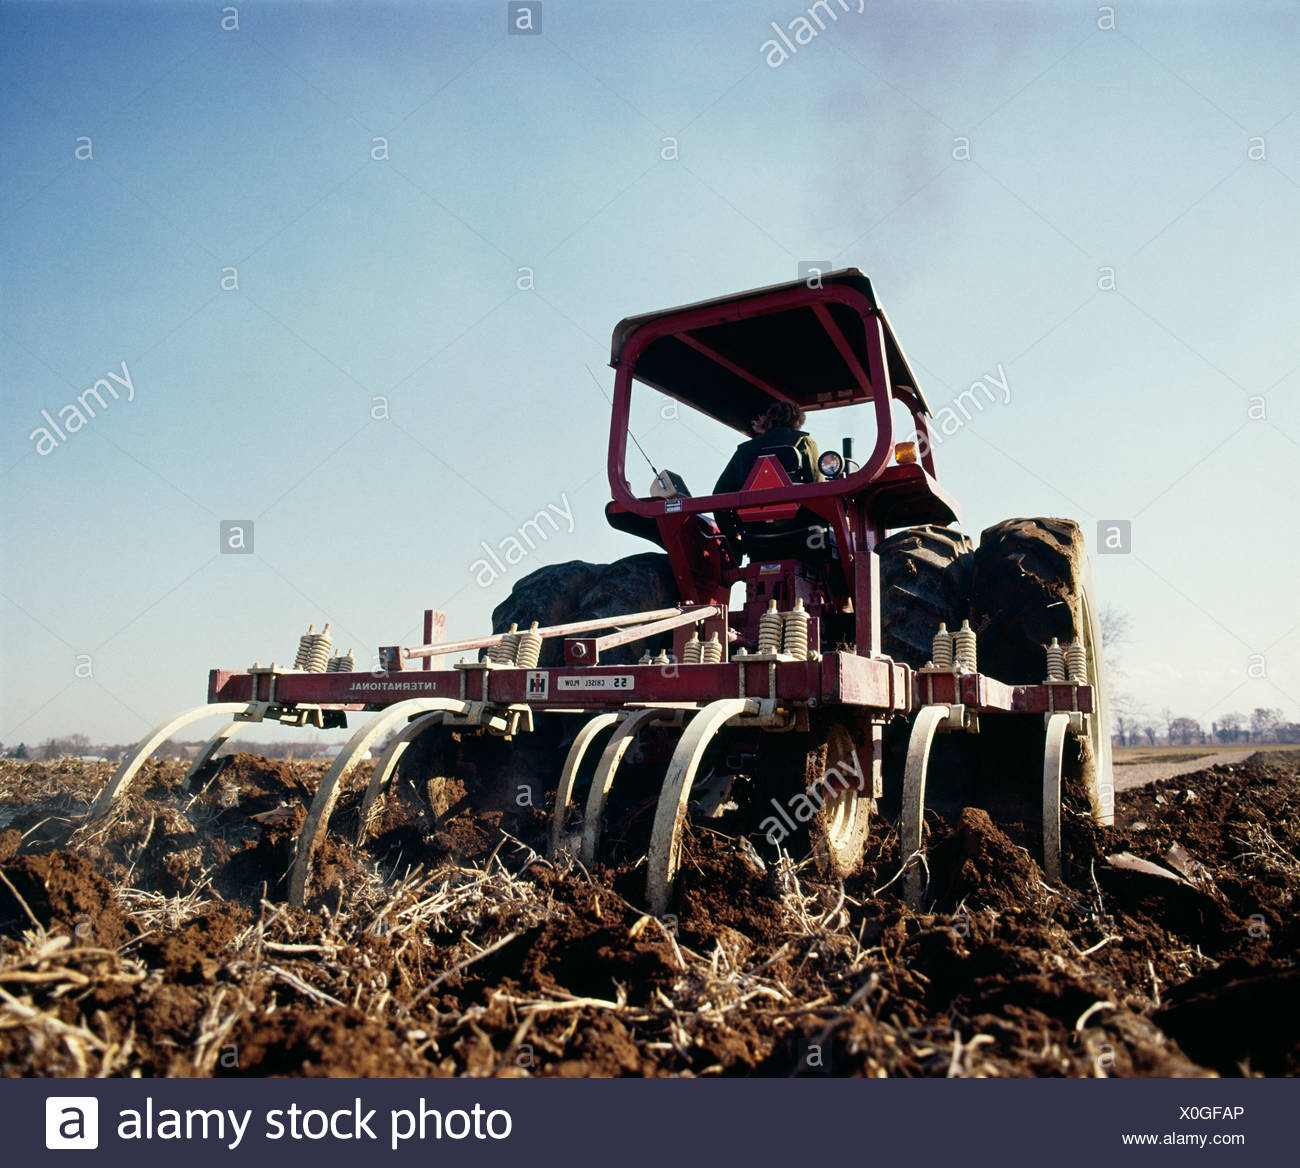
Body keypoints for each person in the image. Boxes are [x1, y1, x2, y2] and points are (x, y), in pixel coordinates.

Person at [712, 401, 822, 559]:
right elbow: (819, 487)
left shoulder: (744, 450)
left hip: (754, 537)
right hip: (802, 537)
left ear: (768, 421)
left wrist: (733, 539)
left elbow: (719, 495)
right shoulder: (804, 442)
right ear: (798, 421)